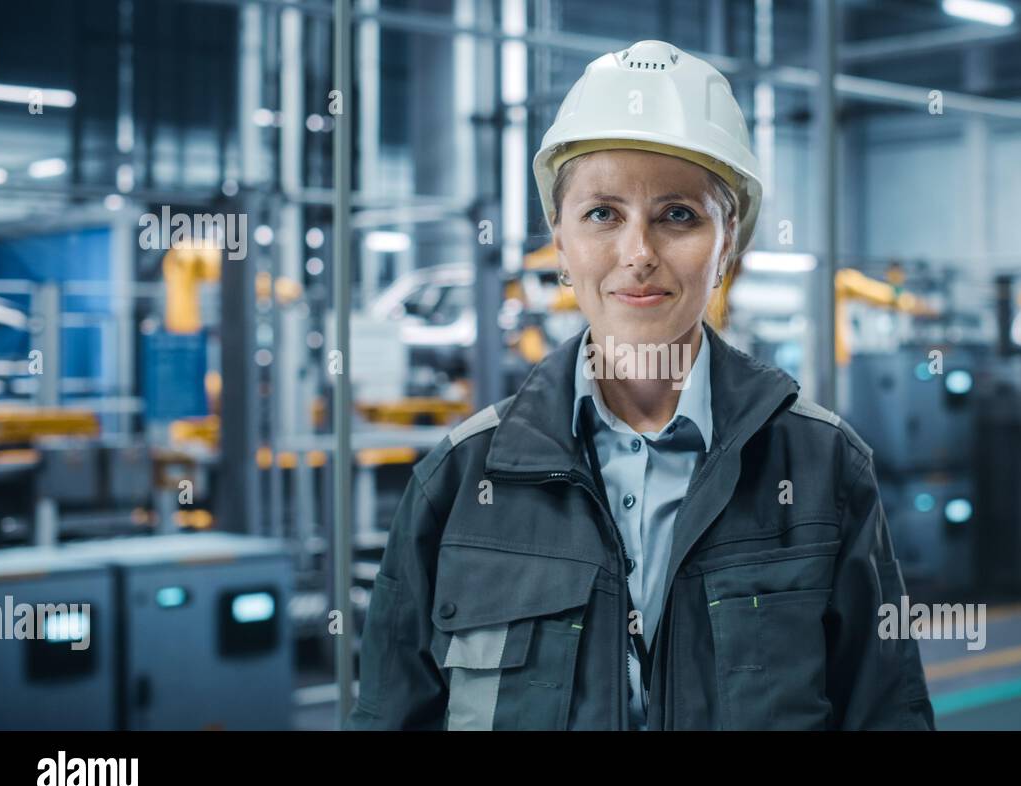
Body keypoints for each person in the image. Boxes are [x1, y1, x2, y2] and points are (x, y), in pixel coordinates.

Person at [344, 39, 934, 731]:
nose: (640, 255)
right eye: (602, 214)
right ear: (558, 241)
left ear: (728, 242)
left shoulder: (823, 467)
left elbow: (887, 716)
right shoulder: (461, 480)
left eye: (678, 214)